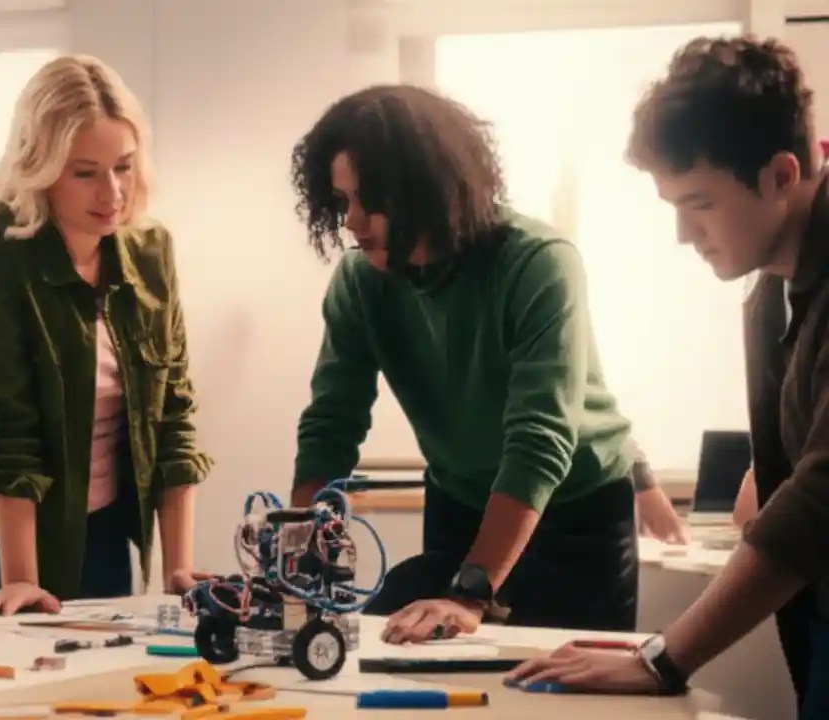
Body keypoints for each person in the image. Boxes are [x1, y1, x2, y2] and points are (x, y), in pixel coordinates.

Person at [508, 37, 829, 718]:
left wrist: (661, 659)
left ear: (781, 173)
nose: (685, 234)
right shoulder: (773, 289)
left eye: (700, 203)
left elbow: (820, 503)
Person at [289, 84, 648, 644]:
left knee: (570, 693)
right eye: (342, 202)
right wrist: (300, 559)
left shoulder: (539, 263)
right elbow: (331, 421)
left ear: (425, 189)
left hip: (575, 512)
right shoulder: (359, 283)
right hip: (459, 500)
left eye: (369, 200)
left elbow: (539, 440)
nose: (352, 222)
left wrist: (469, 593)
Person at [0, 55, 212, 617]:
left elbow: (173, 414)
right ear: (40, 165)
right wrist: (21, 584)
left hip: (101, 544)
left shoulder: (150, 251)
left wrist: (179, 570)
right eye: (85, 172)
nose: (112, 192)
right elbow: (1, 431)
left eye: (124, 167)